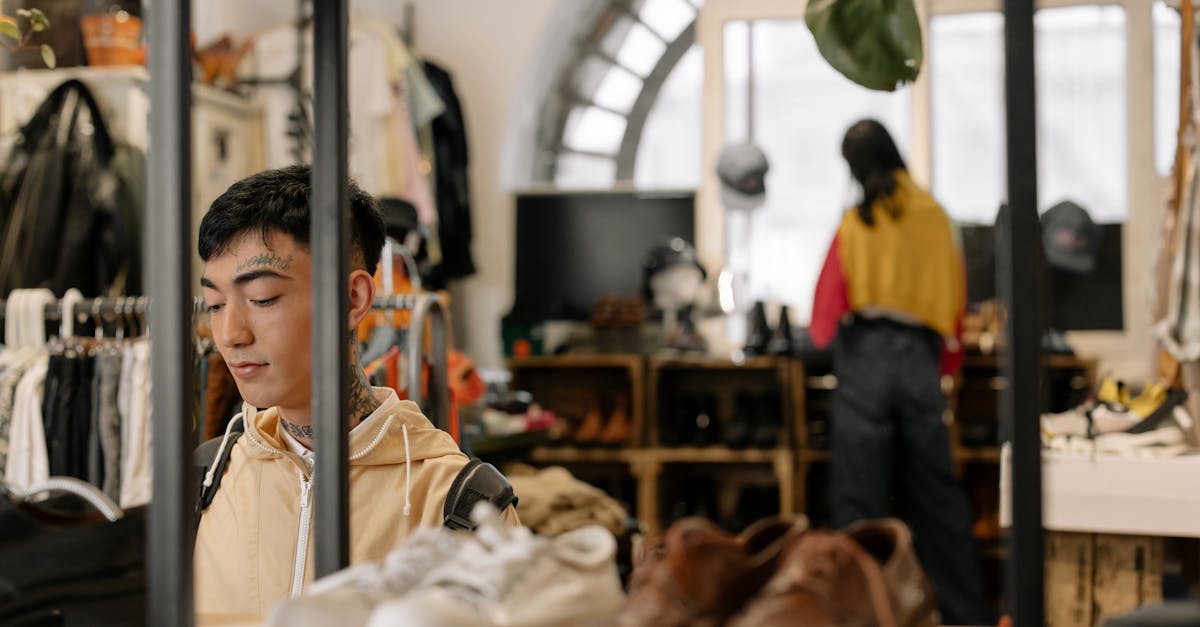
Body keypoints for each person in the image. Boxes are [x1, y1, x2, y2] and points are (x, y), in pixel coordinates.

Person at [193, 165, 517, 616]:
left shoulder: (458, 501)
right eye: (215, 305)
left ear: (352, 299)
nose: (229, 334)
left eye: (263, 298)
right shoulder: (208, 480)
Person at [810, 120, 991, 625]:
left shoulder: (854, 222)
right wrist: (944, 362)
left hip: (864, 359)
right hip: (918, 362)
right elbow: (955, 298)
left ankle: (861, 614)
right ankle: (966, 615)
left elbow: (825, 314)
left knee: (859, 501)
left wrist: (831, 339)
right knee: (936, 500)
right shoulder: (936, 217)